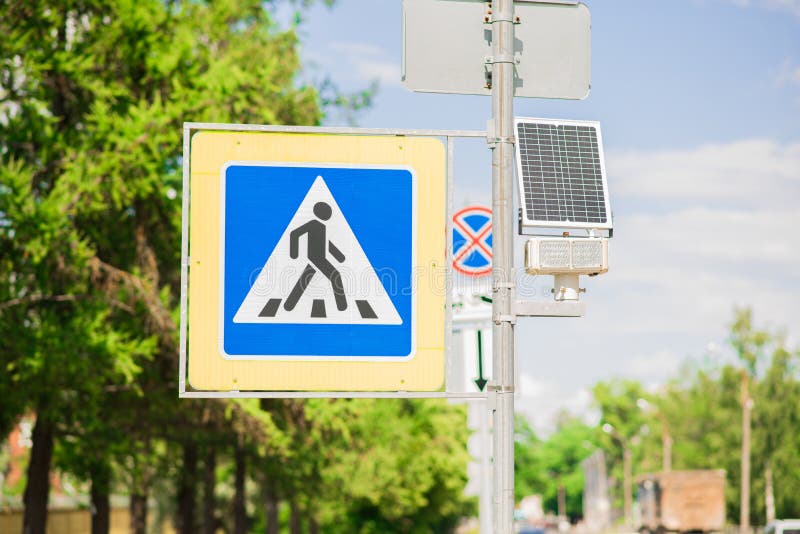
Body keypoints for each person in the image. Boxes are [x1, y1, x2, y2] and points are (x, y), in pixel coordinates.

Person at [284, 201, 347, 311]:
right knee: (335, 276)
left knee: (305, 279)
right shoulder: (313, 223)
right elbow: (294, 234)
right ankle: (342, 307)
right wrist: (294, 254)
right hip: (315, 258)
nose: (329, 214)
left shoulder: (322, 226)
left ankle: (288, 305)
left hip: (319, 258)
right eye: (327, 212)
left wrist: (340, 257)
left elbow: (326, 244)